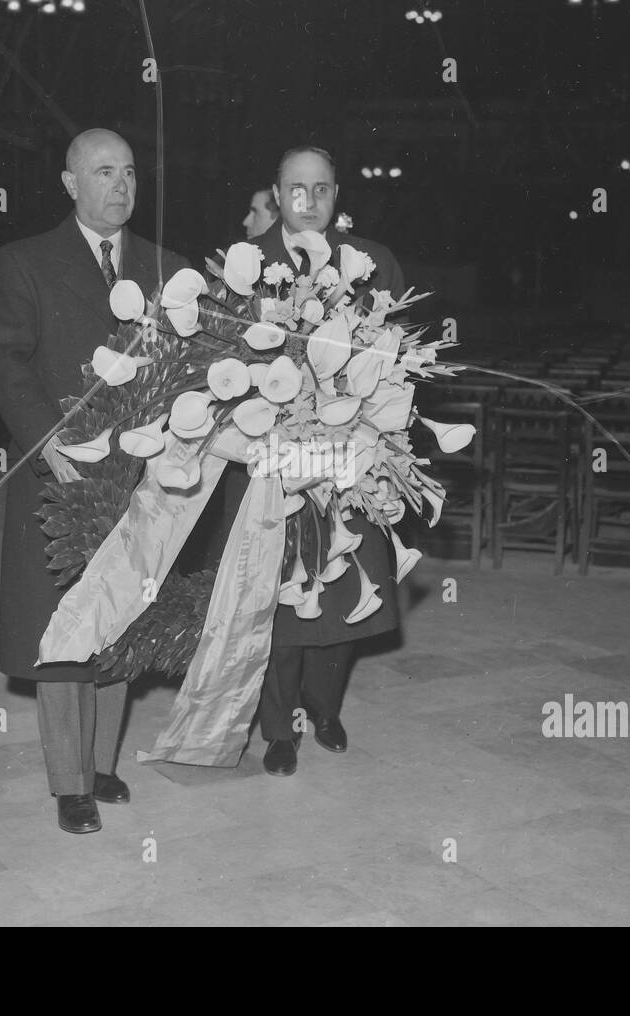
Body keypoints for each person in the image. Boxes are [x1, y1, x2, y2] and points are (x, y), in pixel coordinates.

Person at [0, 129, 188, 835]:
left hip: (144, 481)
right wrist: (49, 442)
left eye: (130, 172)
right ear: (70, 183)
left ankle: (102, 764)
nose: (121, 185)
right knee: (63, 629)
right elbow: (5, 363)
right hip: (58, 475)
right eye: (104, 172)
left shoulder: (171, 271)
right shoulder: (24, 263)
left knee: (123, 618)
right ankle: (71, 784)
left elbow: (190, 372)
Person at [250, 145, 406, 777]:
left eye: (320, 189)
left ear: (337, 195)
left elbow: (397, 363)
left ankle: (324, 706)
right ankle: (278, 725)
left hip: (350, 456)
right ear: (277, 192)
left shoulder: (371, 263)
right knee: (280, 602)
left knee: (343, 591)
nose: (308, 201)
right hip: (274, 457)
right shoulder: (248, 265)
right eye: (295, 188)